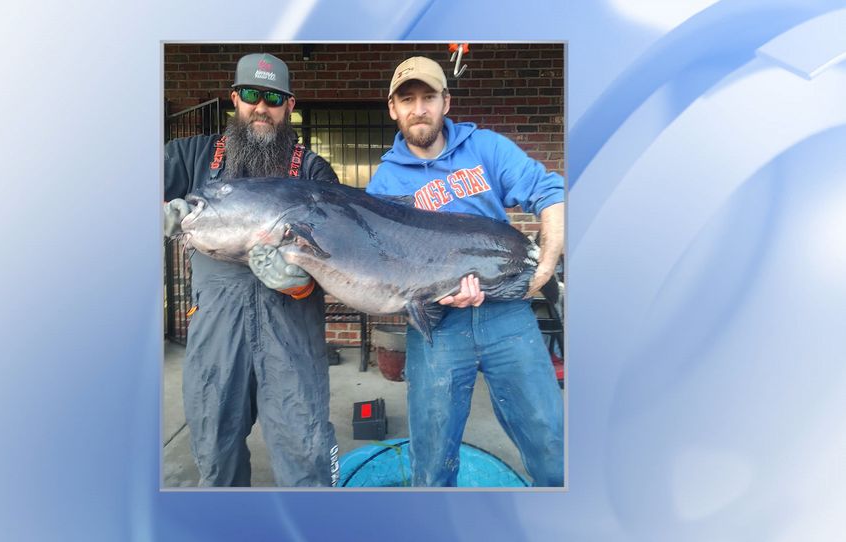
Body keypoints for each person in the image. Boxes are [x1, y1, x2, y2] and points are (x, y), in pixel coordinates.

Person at [366, 56, 565, 487]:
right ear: (393, 109)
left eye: (428, 97)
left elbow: (551, 190)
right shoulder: (383, 184)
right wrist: (434, 295)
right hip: (439, 328)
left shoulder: (486, 148)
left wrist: (545, 268)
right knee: (433, 460)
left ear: (445, 102)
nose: (419, 108)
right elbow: (386, 272)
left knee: (551, 444)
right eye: (408, 99)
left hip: (507, 317)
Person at [163, 53, 340, 487]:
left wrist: (301, 283)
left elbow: (339, 253)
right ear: (235, 99)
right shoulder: (191, 156)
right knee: (215, 451)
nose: (262, 107)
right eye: (252, 95)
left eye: (273, 98)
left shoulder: (314, 171)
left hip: (291, 331)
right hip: (217, 331)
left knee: (307, 454)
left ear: (290, 106)